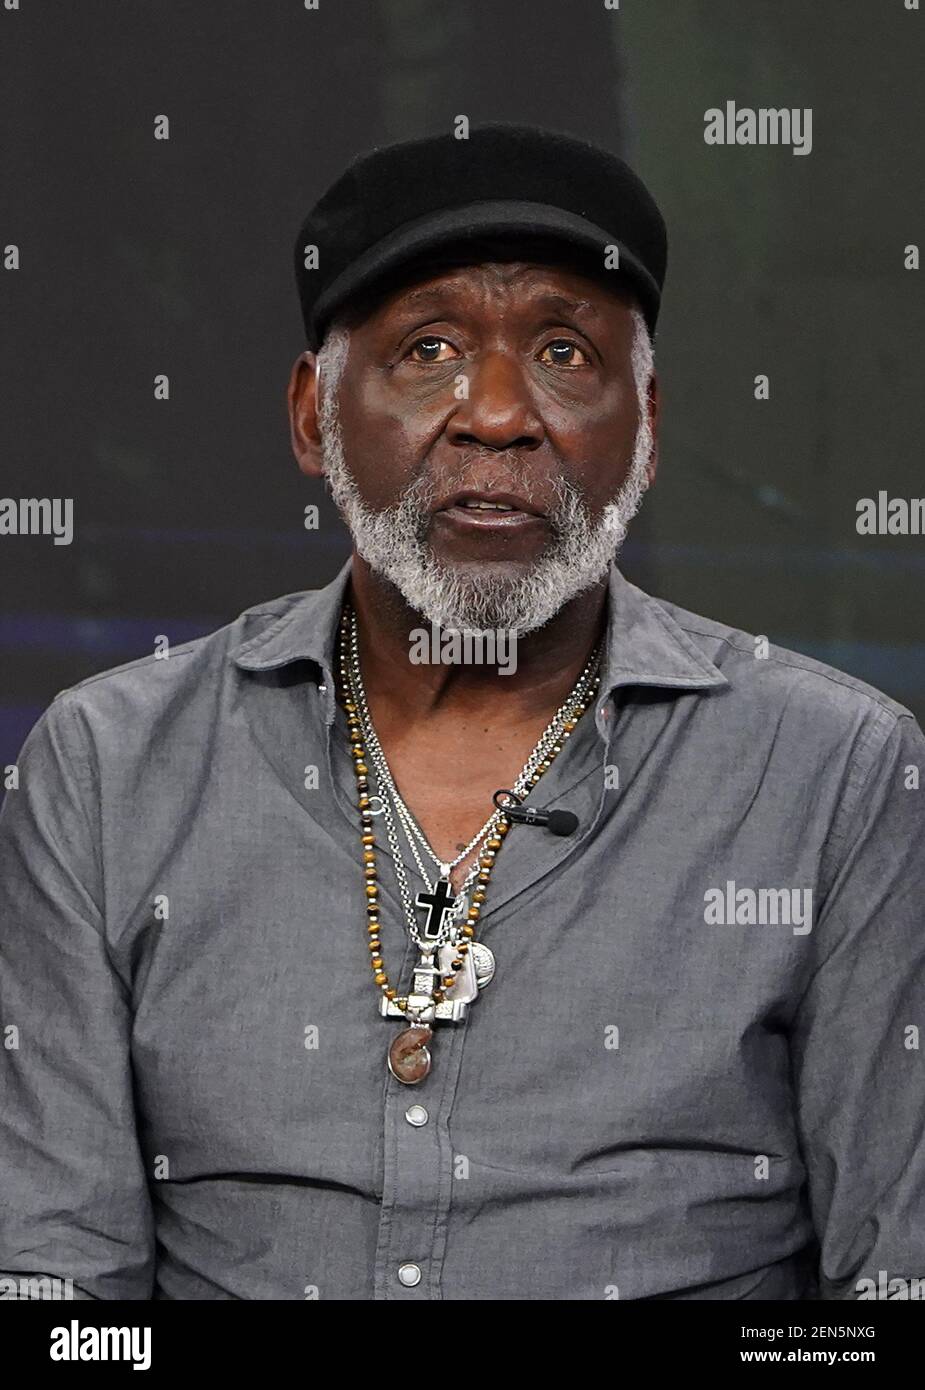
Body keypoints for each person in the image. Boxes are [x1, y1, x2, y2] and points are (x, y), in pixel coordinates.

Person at [1, 125, 922, 1301]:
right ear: (311, 419)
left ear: (646, 428)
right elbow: (54, 1299)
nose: (496, 414)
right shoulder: (105, 768)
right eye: (427, 349)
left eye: (563, 352)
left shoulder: (836, 774)